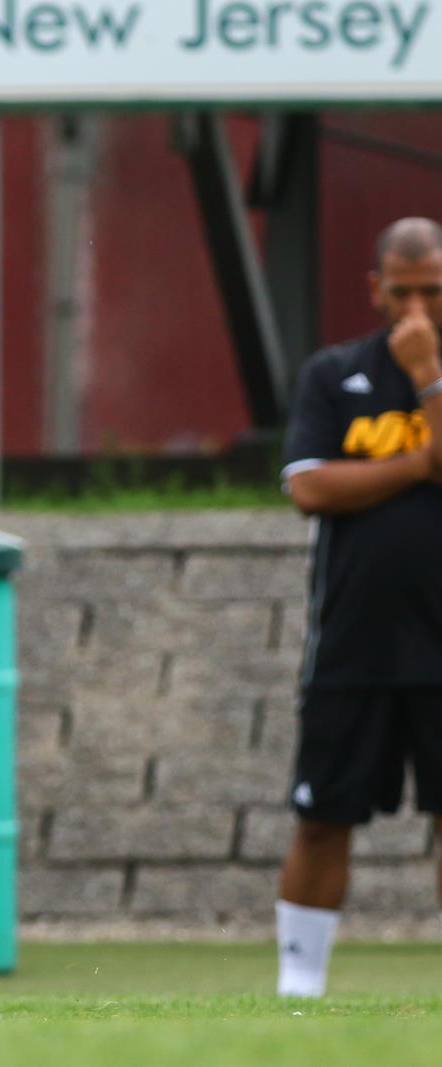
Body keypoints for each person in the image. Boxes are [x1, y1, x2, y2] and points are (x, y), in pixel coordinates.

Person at [276, 216, 442, 998]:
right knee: (321, 816)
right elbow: (311, 485)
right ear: (375, 288)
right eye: (402, 290)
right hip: (354, 642)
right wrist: (421, 461)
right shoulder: (333, 372)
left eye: (433, 291)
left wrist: (430, 378)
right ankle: (298, 990)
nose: (415, 307)